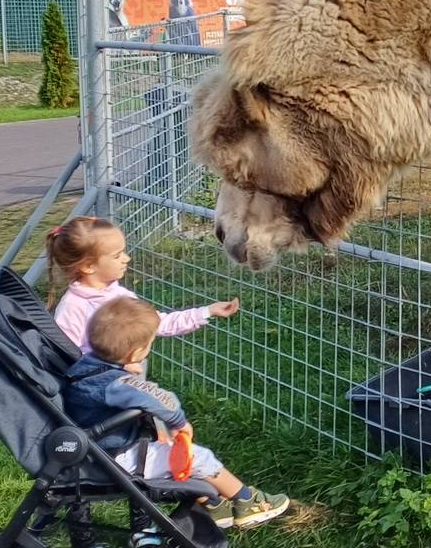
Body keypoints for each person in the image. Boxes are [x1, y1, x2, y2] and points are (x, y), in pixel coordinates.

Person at [62, 297, 289, 529]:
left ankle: (214, 505)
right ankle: (246, 502)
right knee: (199, 457)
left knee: (182, 459)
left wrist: (123, 368)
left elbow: (107, 383)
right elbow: (161, 399)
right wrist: (178, 422)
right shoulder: (116, 385)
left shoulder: (85, 369)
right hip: (118, 458)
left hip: (96, 452)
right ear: (136, 353)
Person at [44, 217, 238, 355]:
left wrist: (207, 311)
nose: (126, 259)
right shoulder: (72, 308)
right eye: (117, 255)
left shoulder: (119, 295)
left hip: (128, 385)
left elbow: (157, 323)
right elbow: (66, 357)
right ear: (88, 266)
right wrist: (113, 367)